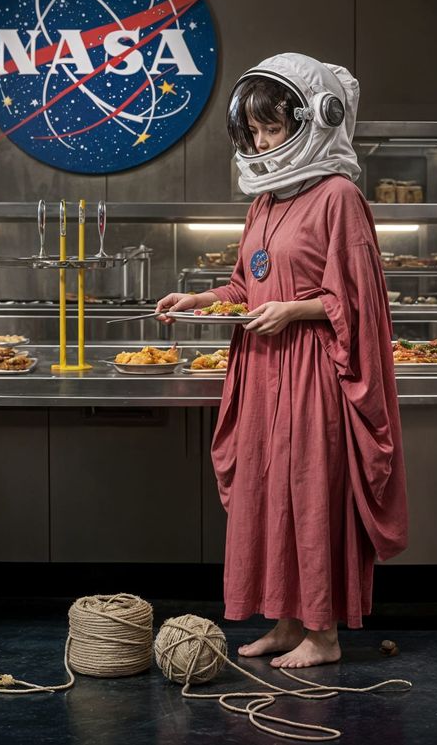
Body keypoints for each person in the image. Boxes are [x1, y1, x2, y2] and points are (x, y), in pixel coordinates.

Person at [155, 53, 408, 668]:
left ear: (315, 120)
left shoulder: (340, 196)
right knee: (270, 495)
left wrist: (294, 313)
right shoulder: (264, 202)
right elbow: (248, 286)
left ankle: (324, 634)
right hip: (262, 370)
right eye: (257, 131)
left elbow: (357, 299)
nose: (265, 142)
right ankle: (288, 622)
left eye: (275, 128)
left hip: (311, 374)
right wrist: (201, 298)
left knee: (310, 496)